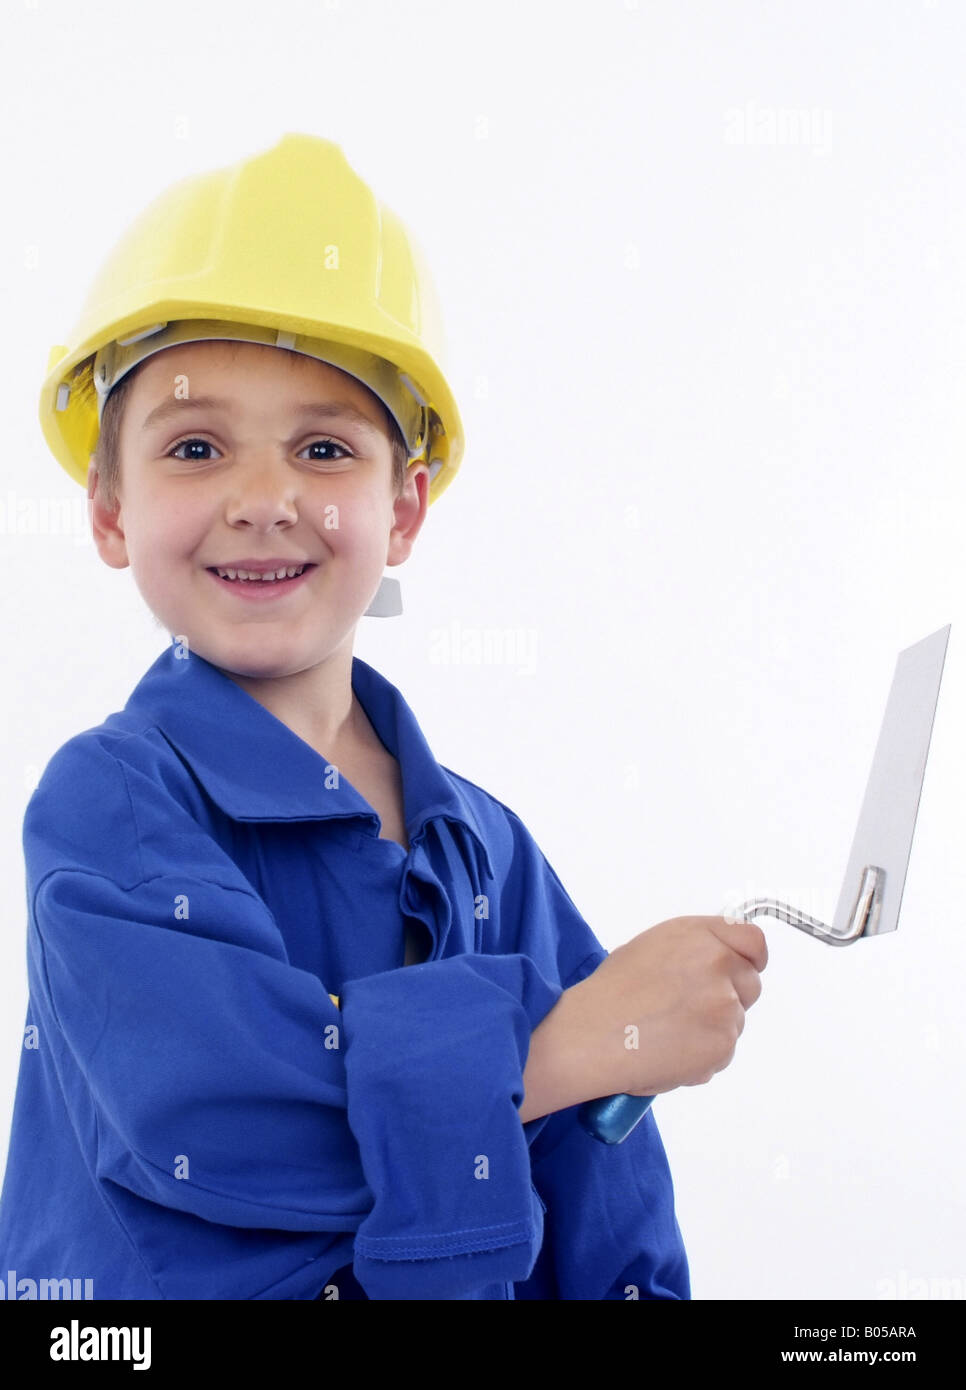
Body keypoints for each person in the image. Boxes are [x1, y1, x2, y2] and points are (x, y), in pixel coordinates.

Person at [0, 134, 767, 1301]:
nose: (264, 501)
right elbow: (225, 1121)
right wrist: (570, 1045)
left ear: (402, 509)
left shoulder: (485, 848)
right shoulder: (112, 801)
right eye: (197, 447)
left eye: (323, 447)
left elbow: (599, 1181)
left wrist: (605, 1066)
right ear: (109, 510)